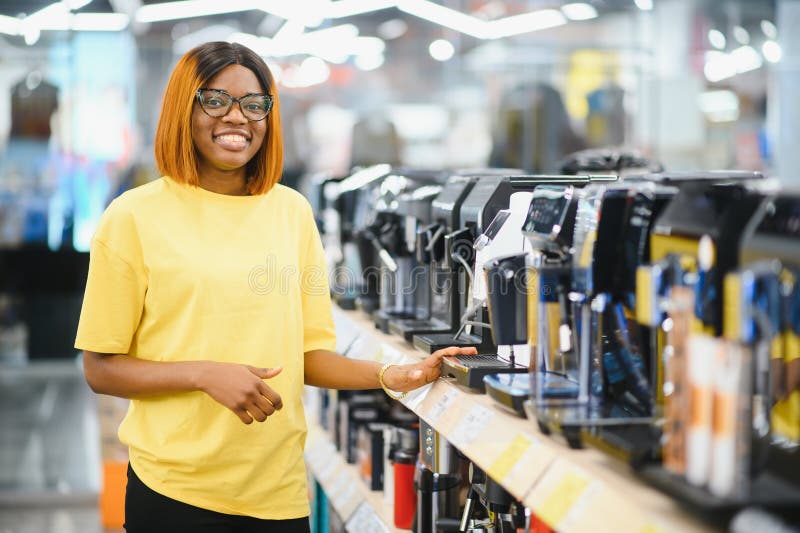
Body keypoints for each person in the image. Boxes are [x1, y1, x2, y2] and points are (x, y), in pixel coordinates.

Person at [75, 41, 476, 533]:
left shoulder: (291, 213)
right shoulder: (133, 216)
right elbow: (100, 367)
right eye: (216, 100)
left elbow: (306, 356)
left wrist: (392, 376)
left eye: (254, 103)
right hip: (174, 490)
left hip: (278, 494)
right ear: (185, 107)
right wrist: (205, 374)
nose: (238, 117)